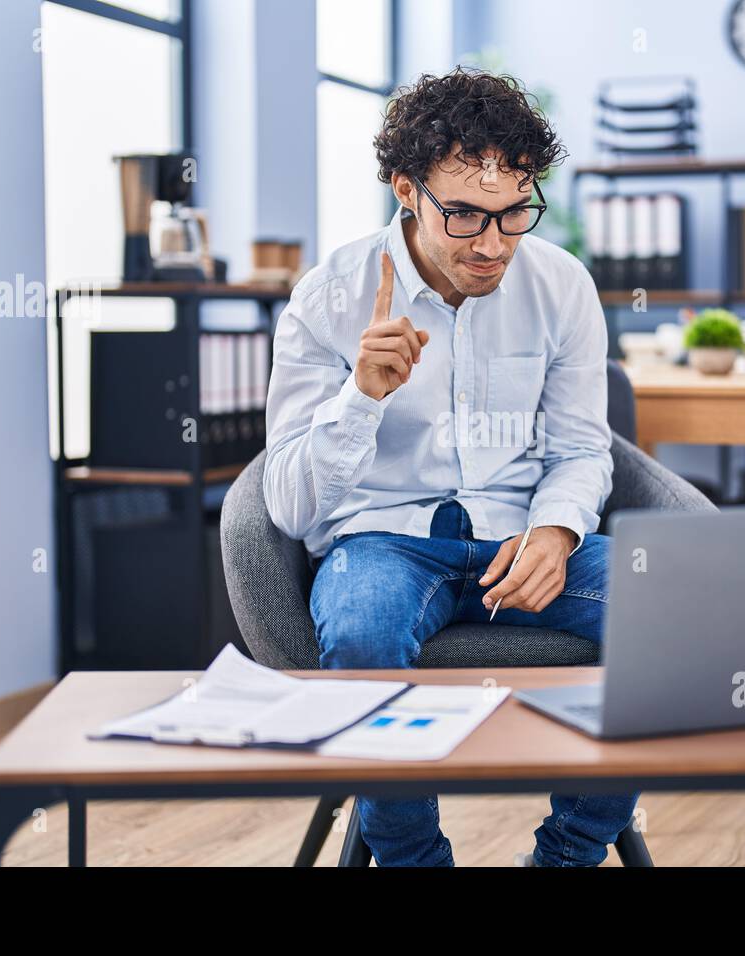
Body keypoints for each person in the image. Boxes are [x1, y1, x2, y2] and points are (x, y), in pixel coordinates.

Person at [262, 67, 637, 866]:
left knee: (665, 612)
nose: (494, 243)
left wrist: (557, 533)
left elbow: (580, 448)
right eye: (464, 214)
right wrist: (361, 398)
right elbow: (289, 506)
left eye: (514, 213)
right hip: (385, 543)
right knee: (363, 633)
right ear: (406, 189)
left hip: (521, 539)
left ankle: (567, 857)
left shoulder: (561, 285)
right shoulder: (329, 297)